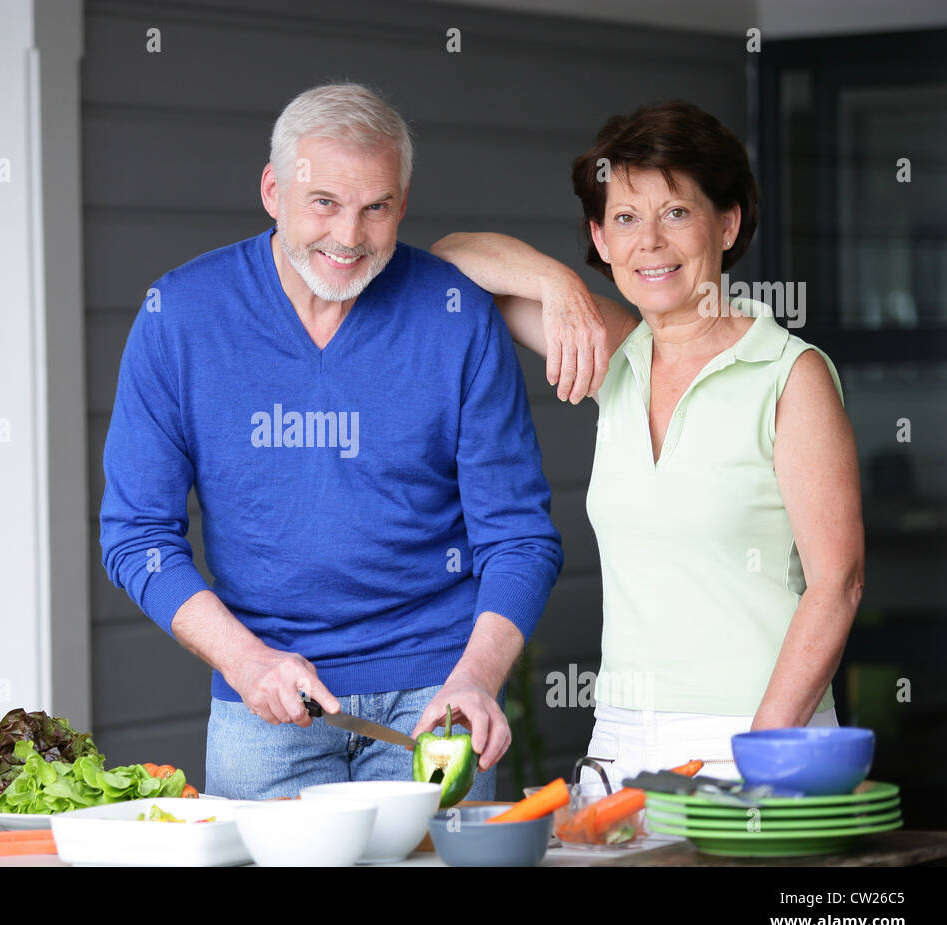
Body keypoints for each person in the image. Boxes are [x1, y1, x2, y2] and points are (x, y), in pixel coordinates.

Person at [99, 83, 591, 800]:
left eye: (376, 207)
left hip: (434, 705)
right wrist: (246, 662)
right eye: (324, 202)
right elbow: (136, 535)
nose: (350, 237)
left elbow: (518, 537)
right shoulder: (180, 316)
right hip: (264, 703)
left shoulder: (455, 316)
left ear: (402, 201)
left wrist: (474, 682)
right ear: (274, 191)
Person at [432, 101, 864, 789]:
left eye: (677, 214)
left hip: (763, 733)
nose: (650, 243)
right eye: (625, 219)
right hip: (622, 740)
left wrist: (756, 754)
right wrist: (556, 285)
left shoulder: (790, 376)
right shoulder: (619, 357)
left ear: (726, 224)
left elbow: (837, 584)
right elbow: (451, 263)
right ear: (600, 239)